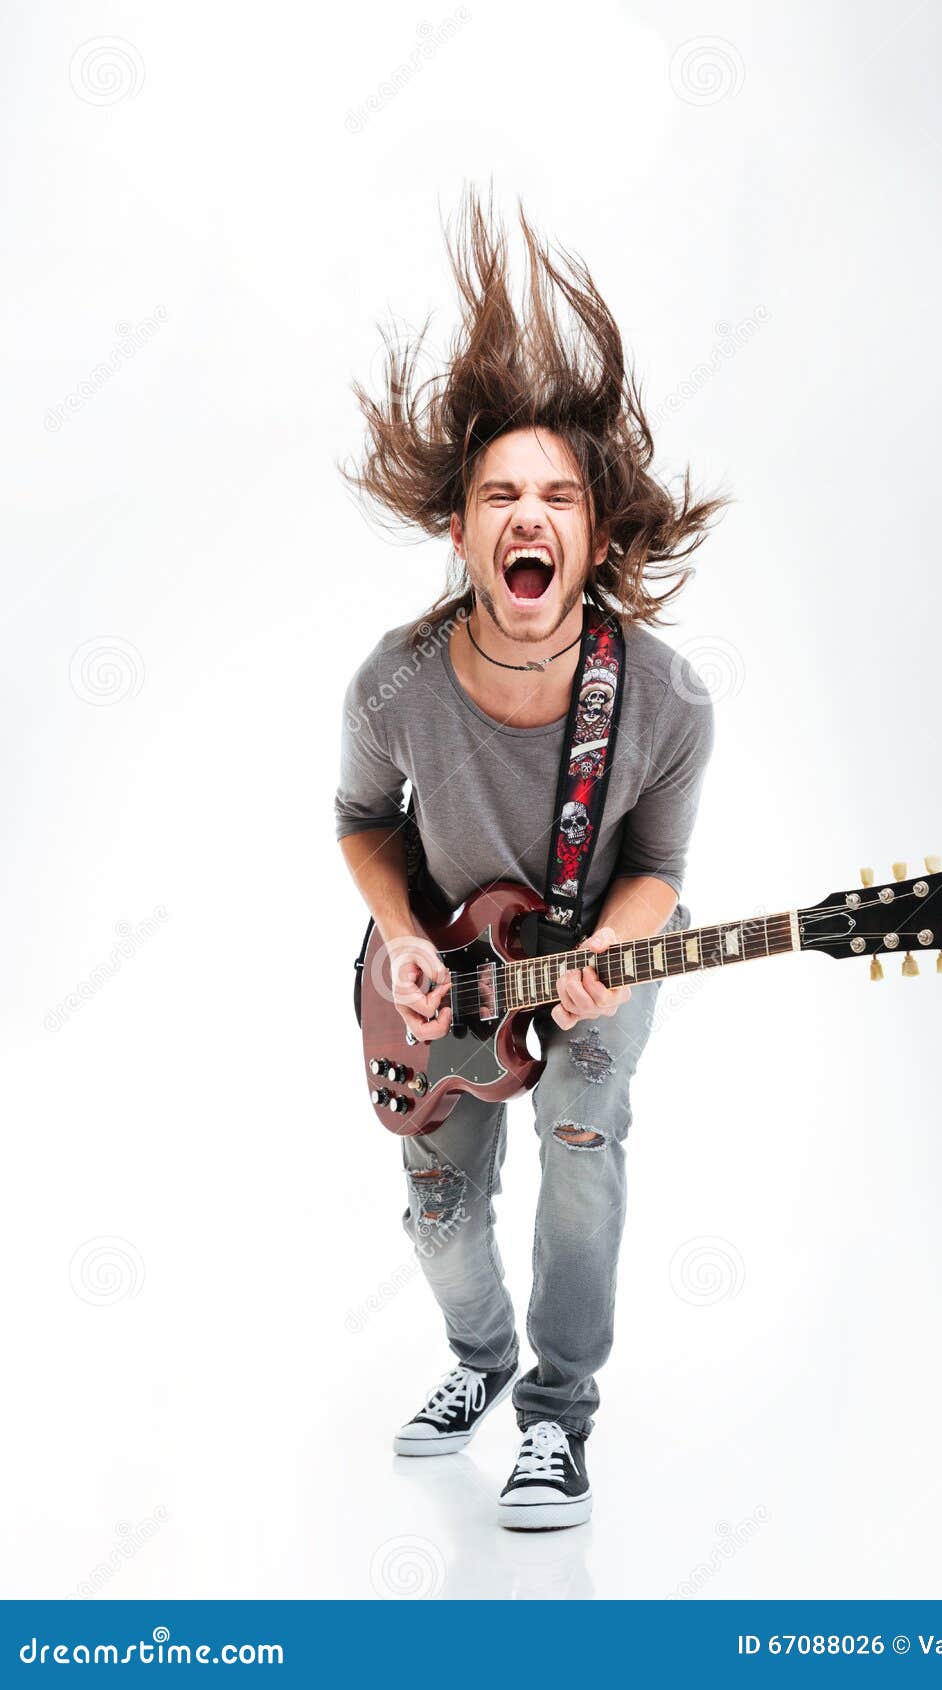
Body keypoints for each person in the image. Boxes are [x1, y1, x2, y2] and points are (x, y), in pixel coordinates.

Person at [335, 189, 725, 1530]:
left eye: (557, 494)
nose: (529, 513)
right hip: (448, 980)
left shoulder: (664, 699)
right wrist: (399, 936)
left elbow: (662, 867)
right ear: (463, 532)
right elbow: (361, 823)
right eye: (502, 492)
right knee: (438, 1216)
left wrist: (620, 942)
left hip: (600, 955)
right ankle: (479, 1358)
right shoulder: (392, 686)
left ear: (594, 539)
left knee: (578, 1127)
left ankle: (557, 1415)